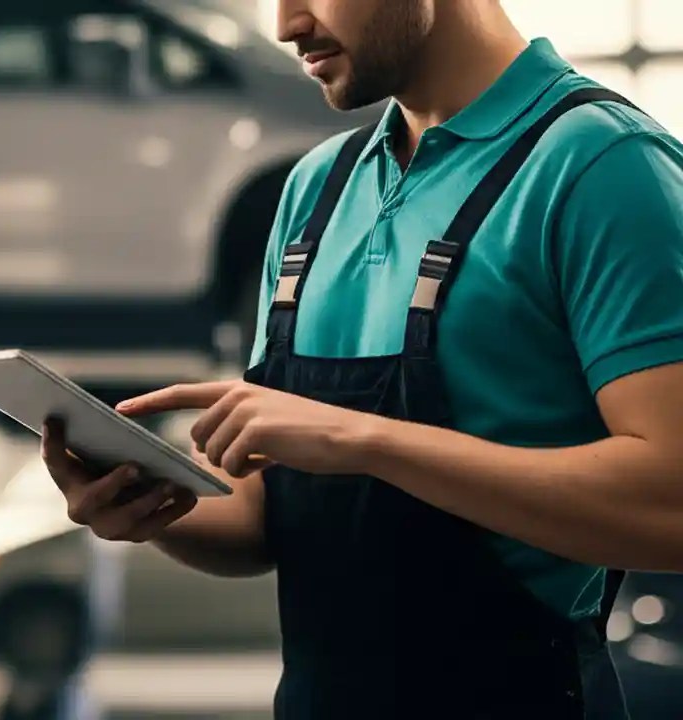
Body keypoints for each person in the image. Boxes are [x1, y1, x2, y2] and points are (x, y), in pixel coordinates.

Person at [44, 0, 683, 717]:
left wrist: (364, 441)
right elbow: (266, 511)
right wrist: (150, 504)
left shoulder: (606, 168)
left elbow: (673, 501)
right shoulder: (315, 188)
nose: (287, 25)